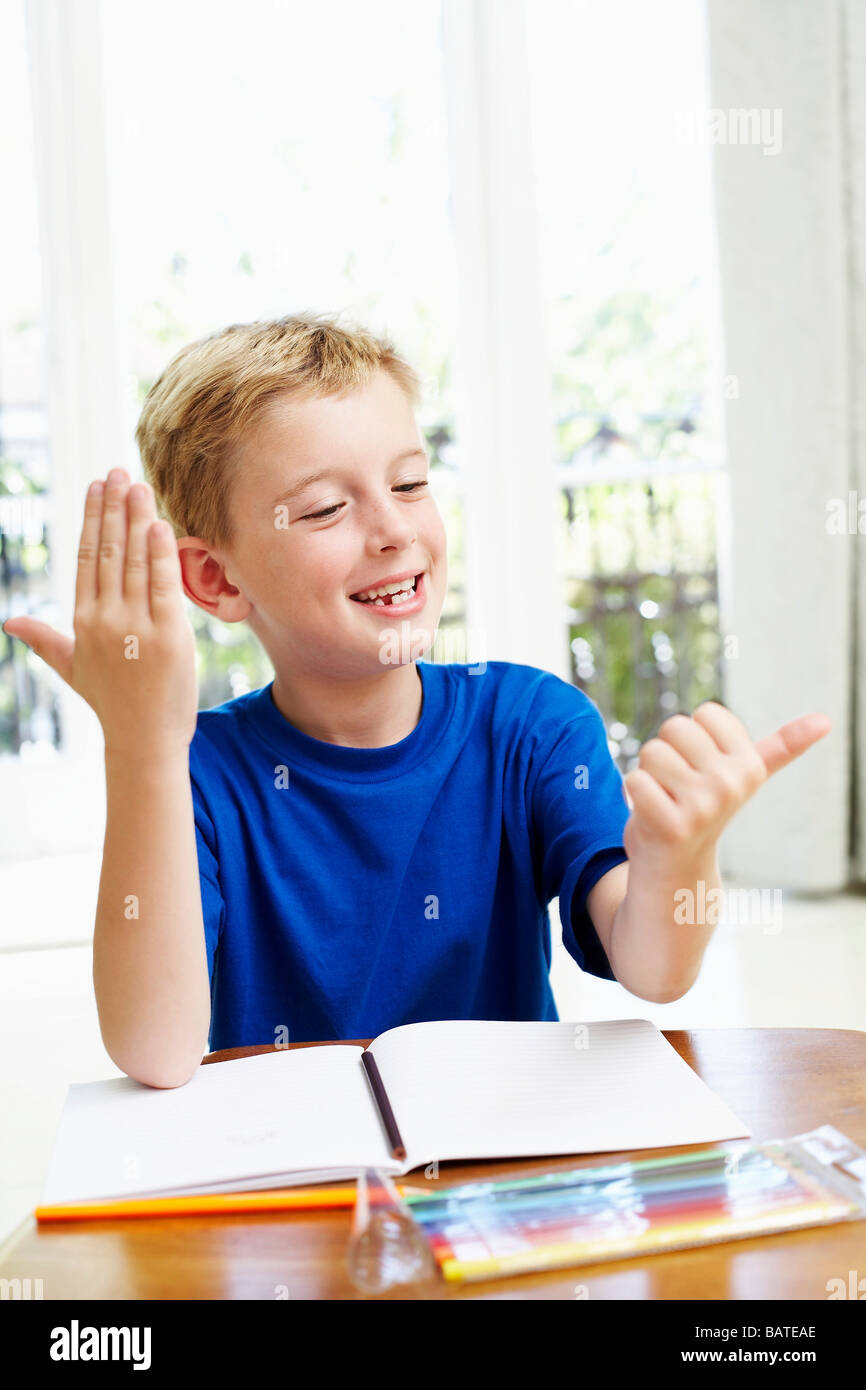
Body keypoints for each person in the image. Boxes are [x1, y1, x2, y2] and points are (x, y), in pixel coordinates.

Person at [2, 312, 831, 1088]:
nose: (393, 529)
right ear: (217, 578)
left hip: (496, 1186)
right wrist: (142, 747)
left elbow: (653, 968)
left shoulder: (532, 727)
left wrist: (682, 859)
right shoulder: (195, 770)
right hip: (296, 1195)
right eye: (327, 507)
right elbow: (156, 1051)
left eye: (409, 484)